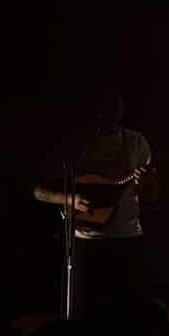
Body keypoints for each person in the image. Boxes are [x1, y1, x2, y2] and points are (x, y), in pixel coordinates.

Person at [33, 89, 157, 319]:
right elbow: (38, 191)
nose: (110, 111)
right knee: (84, 318)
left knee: (128, 317)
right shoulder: (73, 145)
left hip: (126, 240)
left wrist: (145, 183)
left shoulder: (136, 143)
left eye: (115, 104)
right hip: (85, 244)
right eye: (104, 105)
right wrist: (70, 199)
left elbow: (151, 196)